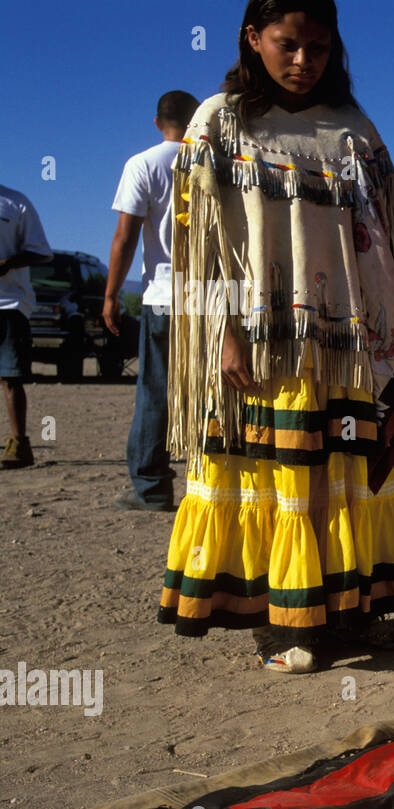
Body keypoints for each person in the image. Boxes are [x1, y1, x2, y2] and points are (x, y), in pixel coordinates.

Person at [158, 0, 394, 672]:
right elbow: (198, 246)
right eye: (287, 44)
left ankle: (353, 614)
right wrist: (219, 330)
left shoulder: (354, 130)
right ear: (253, 39)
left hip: (345, 344)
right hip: (259, 344)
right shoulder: (219, 122)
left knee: (345, 477)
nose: (304, 61)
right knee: (281, 479)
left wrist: (392, 351)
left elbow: (381, 248)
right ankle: (286, 626)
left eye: (319, 47)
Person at [104, 90, 201, 511]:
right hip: (214, 297)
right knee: (209, 390)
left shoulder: (143, 164)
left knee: (155, 390)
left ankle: (152, 485)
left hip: (162, 295)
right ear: (196, 119)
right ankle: (212, 486)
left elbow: (125, 238)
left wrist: (111, 295)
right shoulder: (217, 163)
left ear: (158, 122)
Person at [0, 185, 53, 470]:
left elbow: (42, 252)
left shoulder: (16, 203)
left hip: (10, 302)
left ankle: (19, 443)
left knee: (11, 376)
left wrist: (9, 263)